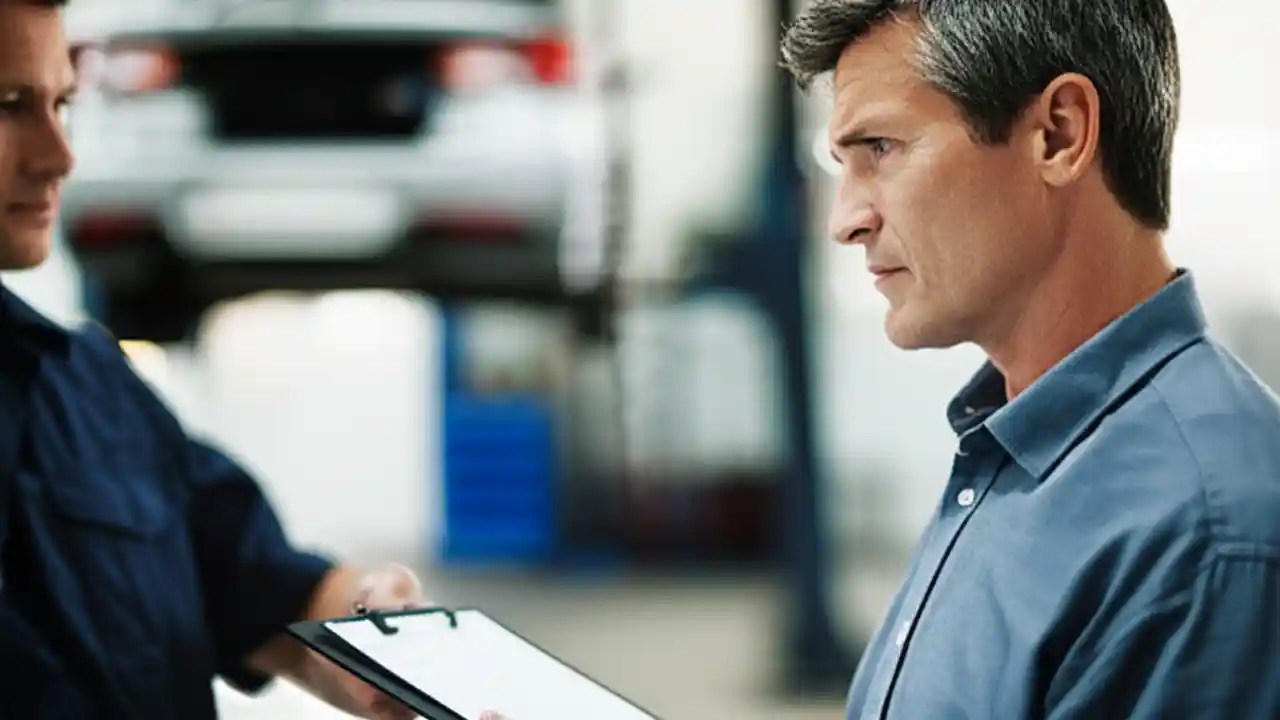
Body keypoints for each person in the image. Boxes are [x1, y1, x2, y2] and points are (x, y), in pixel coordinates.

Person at [782, 1, 1280, 718]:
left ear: (1059, 134)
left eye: (882, 150)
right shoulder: (1014, 454)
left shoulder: (1204, 536)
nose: (846, 219)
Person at [0, 1, 427, 717]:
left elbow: (262, 584)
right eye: (9, 106)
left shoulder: (90, 391)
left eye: (63, 103)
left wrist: (370, 636)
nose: (58, 156)